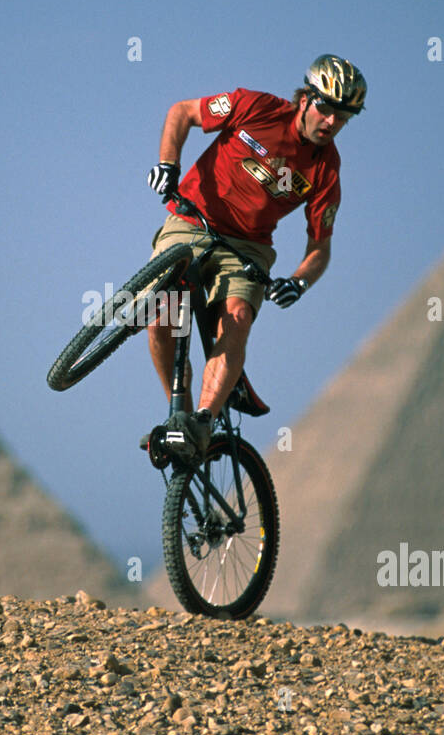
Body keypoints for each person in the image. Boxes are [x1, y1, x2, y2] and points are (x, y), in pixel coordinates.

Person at [143, 54, 366, 464]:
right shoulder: (254, 106)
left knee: (238, 317)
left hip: (247, 247)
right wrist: (167, 163)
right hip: (192, 217)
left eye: (344, 117)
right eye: (327, 109)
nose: (332, 123)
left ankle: (203, 424)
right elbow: (183, 112)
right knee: (161, 314)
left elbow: (320, 249)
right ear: (305, 98)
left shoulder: (327, 171)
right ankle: (180, 414)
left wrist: (298, 281)